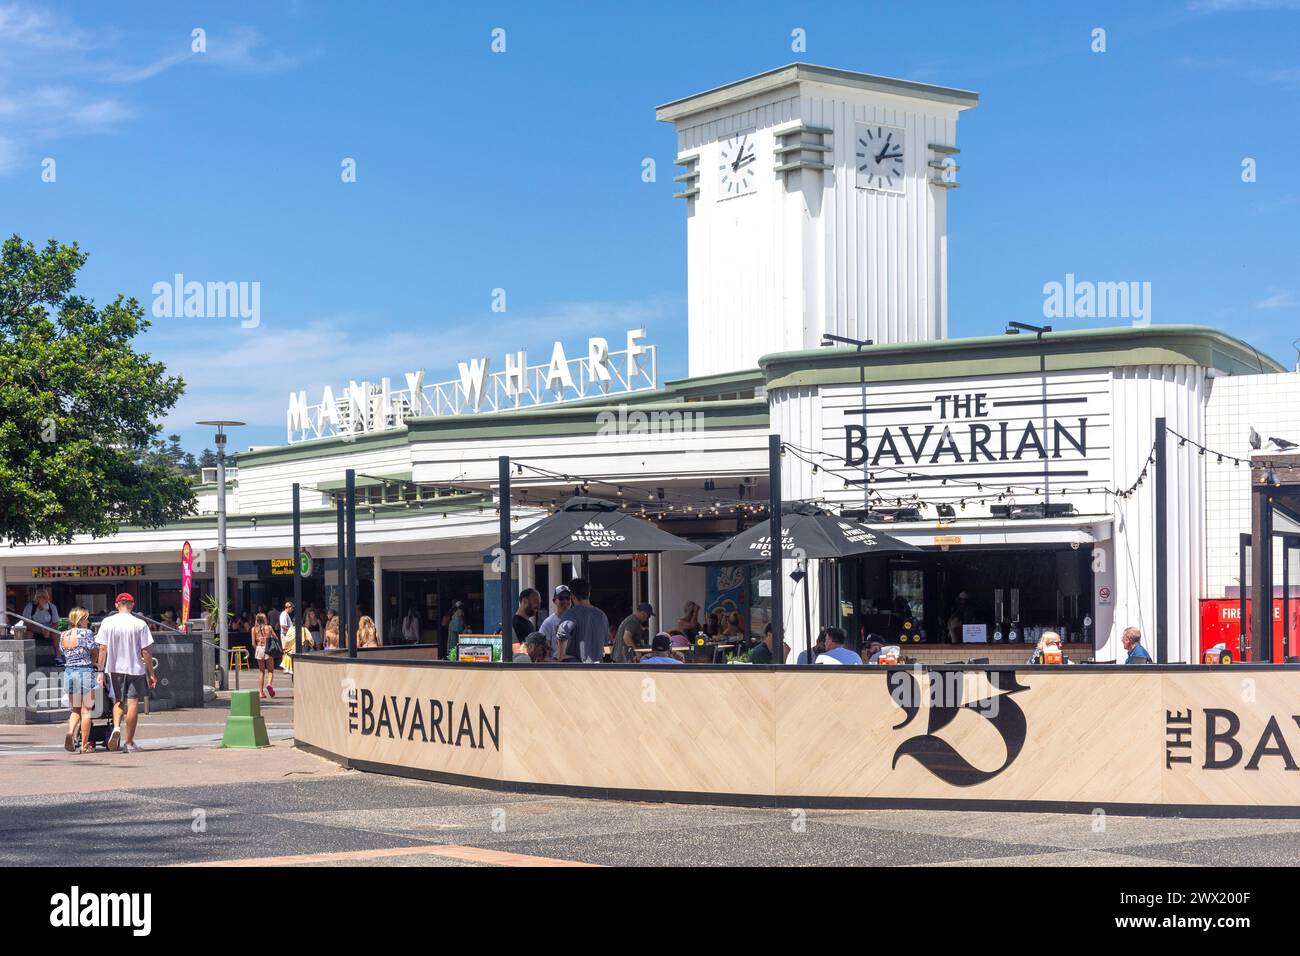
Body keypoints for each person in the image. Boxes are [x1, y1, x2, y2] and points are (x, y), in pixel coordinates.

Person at [94, 593, 158, 753]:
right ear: (132, 604)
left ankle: (116, 727)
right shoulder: (140, 624)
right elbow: (146, 652)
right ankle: (129, 742)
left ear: (117, 605)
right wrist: (151, 673)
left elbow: (102, 648)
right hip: (135, 668)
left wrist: (100, 671)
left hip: (114, 668)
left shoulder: (107, 622)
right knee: (133, 702)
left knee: (118, 700)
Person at [59, 607, 98, 754]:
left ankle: (70, 732)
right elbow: (94, 651)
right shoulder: (87, 633)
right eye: (86, 618)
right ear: (80, 620)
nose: (88, 621)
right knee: (86, 710)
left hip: (69, 672)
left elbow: (63, 653)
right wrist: (94, 663)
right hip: (85, 671)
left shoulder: (63, 635)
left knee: (75, 709)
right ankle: (84, 745)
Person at [556, 577, 609, 663]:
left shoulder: (571, 613)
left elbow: (562, 634)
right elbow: (605, 643)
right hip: (598, 668)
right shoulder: (602, 615)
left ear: (572, 596)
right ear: (589, 593)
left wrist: (561, 656)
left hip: (577, 668)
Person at [539, 585, 573, 660]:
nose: (565, 601)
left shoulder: (576, 620)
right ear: (554, 601)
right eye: (561, 598)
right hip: (557, 666)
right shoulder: (548, 623)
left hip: (575, 664)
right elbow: (544, 655)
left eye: (567, 598)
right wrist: (556, 663)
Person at [251, 612, 278, 698]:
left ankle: (261, 692)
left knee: (261, 671)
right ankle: (269, 684)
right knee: (270, 670)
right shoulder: (269, 627)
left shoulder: (253, 629)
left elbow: (253, 643)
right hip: (268, 649)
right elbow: (276, 638)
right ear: (265, 619)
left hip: (259, 648)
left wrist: (257, 649)